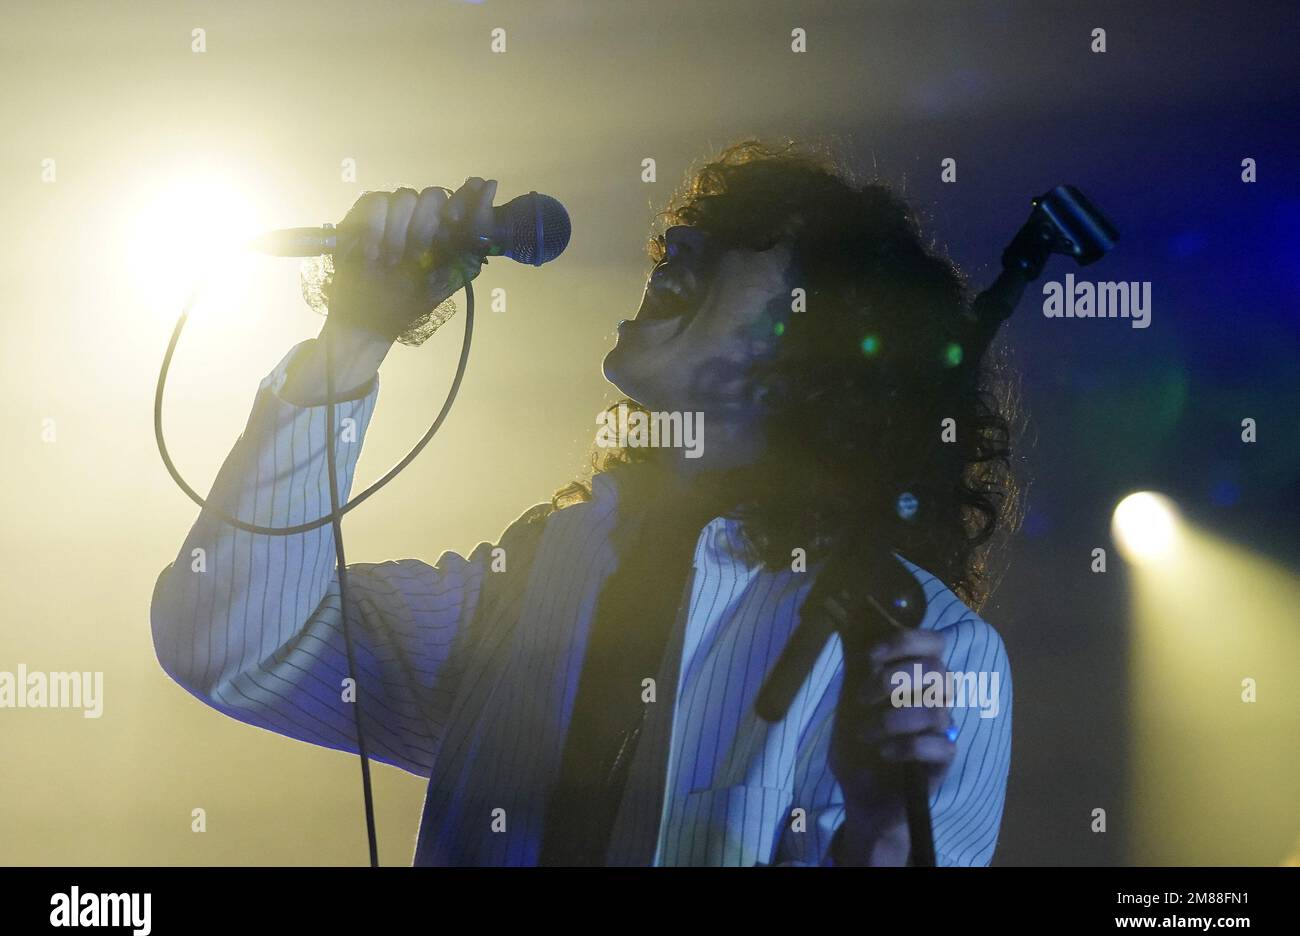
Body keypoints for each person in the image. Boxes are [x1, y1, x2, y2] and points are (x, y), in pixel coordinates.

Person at [150, 139, 1015, 866]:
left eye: (740, 238)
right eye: (682, 235)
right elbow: (234, 646)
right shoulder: (531, 576)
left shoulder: (927, 646)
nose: (676, 243)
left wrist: (885, 834)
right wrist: (355, 337)